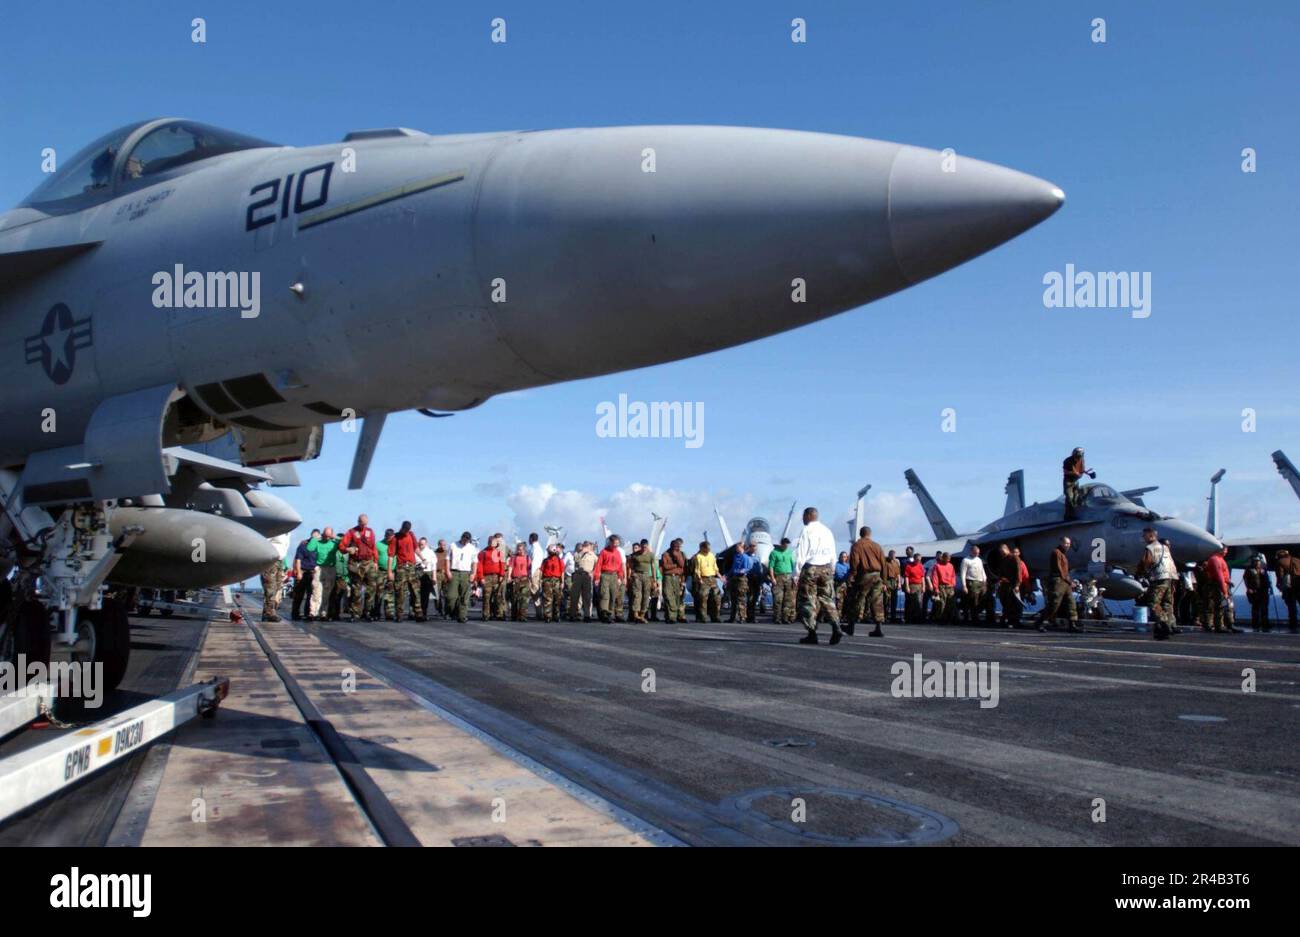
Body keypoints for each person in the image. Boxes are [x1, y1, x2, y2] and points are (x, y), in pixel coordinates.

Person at [793, 507, 841, 645]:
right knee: (827, 599)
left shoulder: (806, 530)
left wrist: (796, 574)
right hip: (826, 568)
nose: (802, 518)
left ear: (808, 516)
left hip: (811, 568)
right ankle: (836, 626)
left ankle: (812, 633)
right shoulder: (827, 531)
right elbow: (833, 553)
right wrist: (832, 569)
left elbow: (801, 554)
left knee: (808, 602)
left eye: (803, 516)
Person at [1134, 527, 1176, 640]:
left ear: (1151, 535)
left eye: (1144, 535)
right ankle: (1169, 626)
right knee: (1167, 603)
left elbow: (1144, 562)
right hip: (1170, 578)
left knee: (1153, 603)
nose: (1143, 537)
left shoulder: (1150, 548)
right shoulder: (1165, 547)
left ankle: (1164, 623)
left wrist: (1138, 574)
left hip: (1159, 578)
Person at [846, 526, 887, 637]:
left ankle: (851, 626)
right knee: (877, 601)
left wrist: (851, 577)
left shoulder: (857, 545)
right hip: (877, 576)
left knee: (857, 599)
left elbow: (854, 563)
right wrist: (884, 581)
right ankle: (878, 628)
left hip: (864, 576)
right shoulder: (877, 546)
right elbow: (883, 564)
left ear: (860, 533)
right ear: (870, 534)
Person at [340, 514, 380, 622]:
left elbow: (373, 547)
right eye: (362, 524)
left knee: (372, 587)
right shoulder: (351, 532)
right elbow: (341, 546)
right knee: (356, 589)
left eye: (365, 524)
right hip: (356, 563)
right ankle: (355, 613)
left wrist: (375, 561)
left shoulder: (370, 532)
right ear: (358, 522)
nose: (363, 526)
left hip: (369, 562)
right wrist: (349, 549)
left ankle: (367, 612)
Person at [1040, 537, 1078, 633]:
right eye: (1066, 543)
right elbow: (1059, 569)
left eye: (1069, 544)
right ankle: (1040, 622)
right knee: (1054, 604)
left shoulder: (1063, 554)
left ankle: (1072, 624)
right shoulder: (1056, 553)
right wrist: (1069, 581)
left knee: (1071, 602)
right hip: (1058, 581)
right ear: (1061, 543)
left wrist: (1069, 581)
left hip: (1065, 581)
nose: (1068, 545)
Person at [391, 521, 424, 621]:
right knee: (400, 591)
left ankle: (418, 613)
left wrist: (423, 558)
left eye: (408, 530)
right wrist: (390, 571)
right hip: (401, 567)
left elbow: (416, 549)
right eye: (405, 529)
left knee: (415, 591)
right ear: (402, 528)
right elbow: (391, 555)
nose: (406, 531)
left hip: (411, 567)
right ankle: (399, 614)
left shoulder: (411, 535)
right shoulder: (396, 537)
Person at [290, 528, 321, 620]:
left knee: (310, 594)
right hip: (303, 571)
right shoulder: (303, 545)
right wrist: (298, 572)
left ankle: (308, 613)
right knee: (299, 595)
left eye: (317, 536)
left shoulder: (319, 545)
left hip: (313, 572)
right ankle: (295, 614)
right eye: (314, 536)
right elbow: (298, 560)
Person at [1203, 546, 1235, 633]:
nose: (1226, 552)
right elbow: (1219, 576)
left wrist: (1228, 581)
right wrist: (1224, 591)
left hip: (1224, 585)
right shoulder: (1215, 559)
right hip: (1219, 586)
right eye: (1224, 550)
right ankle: (1219, 626)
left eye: (1226, 550)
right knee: (1220, 606)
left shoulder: (1221, 559)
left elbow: (1224, 575)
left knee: (1229, 605)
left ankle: (1230, 624)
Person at [594, 535, 626, 623]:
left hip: (614, 576)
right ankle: (604, 614)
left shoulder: (618, 553)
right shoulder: (603, 552)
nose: (616, 545)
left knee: (613, 595)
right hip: (605, 575)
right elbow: (599, 565)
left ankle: (610, 614)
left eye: (617, 543)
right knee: (605, 595)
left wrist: (620, 577)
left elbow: (620, 566)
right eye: (615, 543)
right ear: (610, 542)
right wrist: (597, 577)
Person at [447, 531, 476, 623]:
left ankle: (462, 616)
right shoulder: (453, 545)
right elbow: (447, 559)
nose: (466, 541)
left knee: (464, 596)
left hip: (466, 573)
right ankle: (453, 612)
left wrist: (473, 573)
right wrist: (448, 571)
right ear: (462, 537)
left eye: (468, 540)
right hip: (454, 572)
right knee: (451, 596)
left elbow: (475, 562)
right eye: (465, 539)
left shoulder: (472, 548)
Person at [476, 534, 506, 621]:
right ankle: (486, 615)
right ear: (488, 542)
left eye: (494, 542)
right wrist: (481, 577)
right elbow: (480, 565)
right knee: (486, 597)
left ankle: (499, 614)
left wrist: (501, 575)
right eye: (491, 541)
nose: (492, 543)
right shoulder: (483, 553)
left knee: (498, 597)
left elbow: (502, 564)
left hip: (497, 577)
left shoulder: (499, 552)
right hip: (487, 577)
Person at [690, 540, 721, 623]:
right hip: (703, 578)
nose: (708, 550)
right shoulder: (698, 556)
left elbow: (715, 567)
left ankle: (715, 617)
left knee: (716, 598)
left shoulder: (711, 555)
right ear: (702, 548)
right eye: (706, 549)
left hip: (712, 578)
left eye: (709, 549)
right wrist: (699, 579)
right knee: (703, 598)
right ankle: (702, 617)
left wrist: (720, 576)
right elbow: (697, 569)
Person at [767, 537, 796, 624]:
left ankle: (785, 618)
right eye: (785, 544)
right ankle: (777, 618)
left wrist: (794, 578)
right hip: (778, 577)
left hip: (788, 576)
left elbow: (793, 566)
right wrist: (772, 578)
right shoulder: (774, 553)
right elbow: (771, 566)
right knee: (778, 599)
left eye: (787, 544)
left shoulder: (790, 553)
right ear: (781, 544)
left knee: (788, 600)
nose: (786, 546)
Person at [660, 538, 688, 624]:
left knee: (677, 597)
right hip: (668, 577)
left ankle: (676, 616)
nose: (677, 548)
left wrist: (677, 556)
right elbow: (665, 567)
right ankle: (671, 617)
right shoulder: (665, 554)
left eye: (678, 547)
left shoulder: (681, 554)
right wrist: (675, 565)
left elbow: (682, 565)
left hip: (677, 577)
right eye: (676, 547)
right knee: (669, 596)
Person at [627, 539, 656, 623]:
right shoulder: (635, 555)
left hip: (647, 575)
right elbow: (630, 565)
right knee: (637, 595)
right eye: (642, 547)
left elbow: (653, 567)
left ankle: (642, 615)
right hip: (637, 576)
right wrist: (632, 575)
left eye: (645, 547)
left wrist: (654, 580)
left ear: (647, 546)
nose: (644, 548)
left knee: (646, 596)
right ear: (640, 546)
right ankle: (636, 614)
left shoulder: (651, 555)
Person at [1062, 447, 1095, 520]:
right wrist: (1073, 473)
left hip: (1076, 481)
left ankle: (1075, 514)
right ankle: (1068, 516)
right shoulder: (1067, 461)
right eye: (1076, 457)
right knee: (1069, 497)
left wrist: (1089, 474)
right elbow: (1065, 471)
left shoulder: (1082, 461)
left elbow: (1082, 470)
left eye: (1078, 457)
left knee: (1076, 497)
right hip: (1068, 481)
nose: (1077, 459)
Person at [727, 544, 756, 623]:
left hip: (741, 579)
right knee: (733, 599)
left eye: (738, 547)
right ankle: (733, 618)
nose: (736, 548)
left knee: (741, 599)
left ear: (742, 548)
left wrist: (742, 571)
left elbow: (748, 568)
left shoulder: (746, 557)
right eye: (736, 547)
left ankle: (742, 617)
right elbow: (733, 568)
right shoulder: (736, 557)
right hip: (734, 579)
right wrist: (727, 575)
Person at [1244, 555, 1273, 632]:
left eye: (1258, 561)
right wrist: (1248, 588)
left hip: (1263, 592)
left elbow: (1267, 580)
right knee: (1256, 609)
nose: (1257, 563)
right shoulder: (1249, 570)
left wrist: (1269, 587)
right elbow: (1246, 580)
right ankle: (1255, 624)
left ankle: (1265, 624)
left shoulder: (1263, 570)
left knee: (1264, 609)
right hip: (1254, 592)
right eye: (1256, 562)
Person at [570, 542, 597, 622]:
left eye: (588, 546)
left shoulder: (593, 555)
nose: (587, 548)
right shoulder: (578, 554)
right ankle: (573, 614)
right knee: (575, 596)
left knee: (587, 597)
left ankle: (587, 615)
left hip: (587, 576)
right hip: (578, 575)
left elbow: (597, 565)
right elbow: (576, 560)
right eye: (585, 546)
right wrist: (582, 552)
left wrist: (593, 573)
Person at [1275, 549, 1300, 633]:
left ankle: (1293, 625)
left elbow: (1280, 575)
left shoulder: (1280, 562)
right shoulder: (1297, 560)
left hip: (1290, 587)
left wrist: (1279, 584)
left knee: (1292, 607)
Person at [959, 545, 986, 624]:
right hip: (971, 581)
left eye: (978, 553)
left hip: (980, 581)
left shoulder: (979, 560)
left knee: (980, 599)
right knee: (972, 600)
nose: (977, 554)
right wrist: (964, 585)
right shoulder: (966, 560)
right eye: (975, 553)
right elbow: (963, 573)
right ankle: (971, 617)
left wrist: (984, 579)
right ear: (971, 552)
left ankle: (975, 615)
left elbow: (982, 570)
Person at [929, 552, 957, 623]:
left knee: (951, 603)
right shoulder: (937, 566)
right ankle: (939, 618)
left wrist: (953, 584)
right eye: (947, 559)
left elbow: (953, 575)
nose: (948, 560)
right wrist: (936, 588)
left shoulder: (951, 566)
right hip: (941, 586)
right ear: (943, 558)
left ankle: (949, 618)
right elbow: (935, 577)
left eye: (949, 559)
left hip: (950, 586)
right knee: (941, 603)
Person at [540, 544, 566, 621]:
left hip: (557, 580)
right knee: (548, 599)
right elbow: (542, 571)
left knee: (557, 599)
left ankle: (556, 615)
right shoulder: (545, 560)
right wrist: (540, 580)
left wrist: (562, 582)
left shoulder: (559, 560)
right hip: (547, 580)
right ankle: (548, 616)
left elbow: (562, 572)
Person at [507, 542, 532, 621]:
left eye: (520, 550)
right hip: (516, 579)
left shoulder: (528, 558)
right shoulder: (513, 558)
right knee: (514, 598)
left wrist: (530, 579)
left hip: (524, 579)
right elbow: (510, 567)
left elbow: (529, 569)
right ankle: (514, 616)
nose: (519, 551)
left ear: (524, 550)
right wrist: (509, 577)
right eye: (518, 549)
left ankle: (523, 616)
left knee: (524, 599)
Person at [416, 536, 438, 620]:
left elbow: (434, 565)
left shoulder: (430, 552)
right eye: (420, 544)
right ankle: (416, 612)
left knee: (425, 595)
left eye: (423, 544)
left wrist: (434, 577)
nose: (421, 545)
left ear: (426, 544)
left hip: (427, 573)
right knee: (415, 594)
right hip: (417, 573)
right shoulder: (416, 551)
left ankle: (424, 613)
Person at [902, 550, 926, 623]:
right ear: (914, 559)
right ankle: (909, 618)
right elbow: (906, 577)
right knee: (911, 602)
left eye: (920, 560)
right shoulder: (909, 566)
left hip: (919, 585)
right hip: (912, 585)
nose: (918, 561)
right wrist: (907, 586)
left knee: (919, 602)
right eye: (917, 559)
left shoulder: (921, 566)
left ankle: (918, 618)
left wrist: (924, 586)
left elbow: (922, 577)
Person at [883, 549, 901, 623]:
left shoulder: (896, 563)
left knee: (894, 600)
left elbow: (898, 574)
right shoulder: (885, 563)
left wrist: (899, 582)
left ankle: (893, 617)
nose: (893, 557)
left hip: (894, 582)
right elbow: (883, 575)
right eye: (892, 556)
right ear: (889, 555)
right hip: (887, 581)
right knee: (887, 600)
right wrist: (884, 584)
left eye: (894, 556)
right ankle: (885, 616)